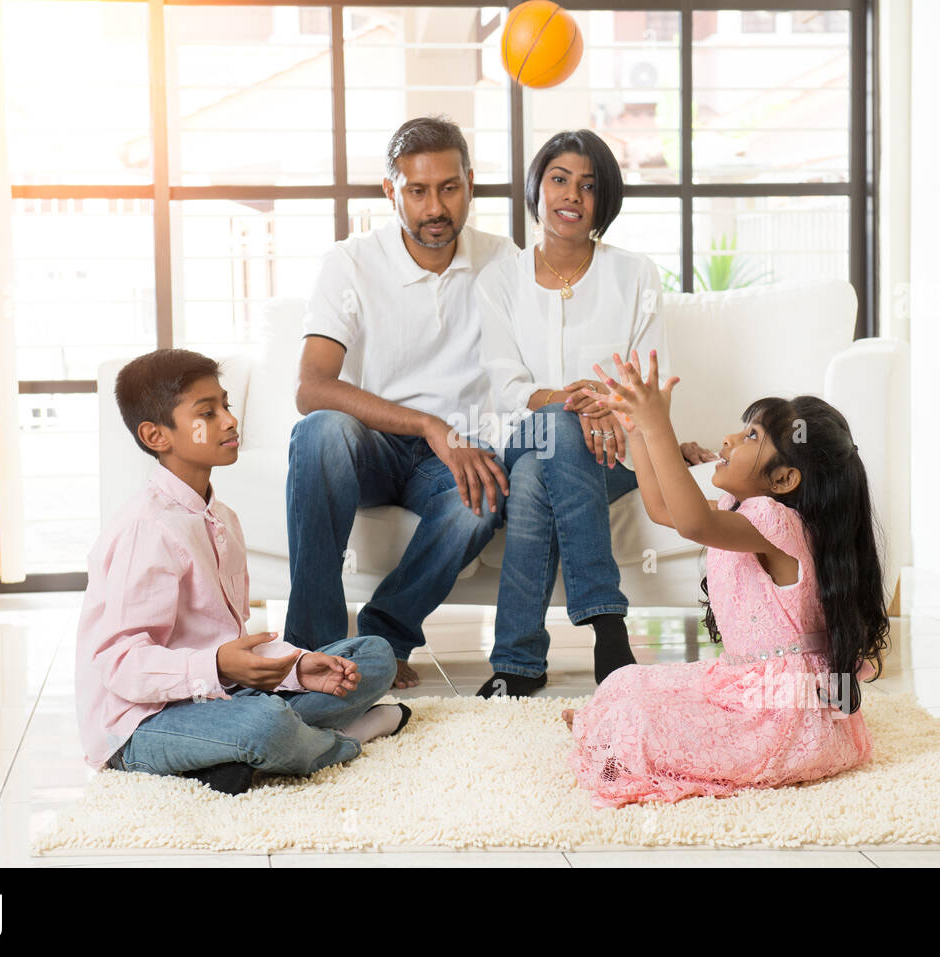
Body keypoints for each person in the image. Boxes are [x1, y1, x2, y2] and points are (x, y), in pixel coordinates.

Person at [562, 350, 890, 808]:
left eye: (751, 435)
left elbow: (693, 523)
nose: (730, 438)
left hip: (781, 714)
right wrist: (638, 431)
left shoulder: (778, 524)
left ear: (783, 479)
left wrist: (660, 426)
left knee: (639, 717)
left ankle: (626, 740)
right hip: (747, 685)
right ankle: (618, 730)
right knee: (623, 683)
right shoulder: (752, 515)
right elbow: (665, 511)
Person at [77, 349, 409, 797]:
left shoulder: (223, 519)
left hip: (220, 696)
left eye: (226, 407)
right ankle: (346, 740)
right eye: (207, 413)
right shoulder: (146, 529)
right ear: (157, 435)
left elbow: (233, 649)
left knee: (372, 656)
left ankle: (229, 757)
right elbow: (121, 665)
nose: (230, 422)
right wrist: (216, 666)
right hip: (141, 726)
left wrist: (295, 667)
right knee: (265, 723)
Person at [285, 116, 519, 690]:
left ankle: (381, 641)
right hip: (372, 445)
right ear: (391, 191)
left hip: (455, 450)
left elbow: (543, 367)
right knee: (319, 432)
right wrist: (427, 423)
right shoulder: (352, 262)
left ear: (470, 183)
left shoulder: (503, 261)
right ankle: (313, 650)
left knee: (481, 497)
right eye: (417, 191)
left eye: (448, 188)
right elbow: (312, 387)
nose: (434, 206)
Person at [474, 130, 667, 697]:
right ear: (537, 187)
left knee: (540, 472)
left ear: (603, 201)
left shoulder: (636, 276)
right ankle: (609, 629)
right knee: (555, 433)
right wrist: (572, 403)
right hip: (526, 433)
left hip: (617, 452)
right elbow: (507, 385)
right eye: (559, 178)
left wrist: (605, 404)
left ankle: (516, 663)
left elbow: (650, 380)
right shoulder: (499, 281)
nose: (572, 195)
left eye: (588, 185)